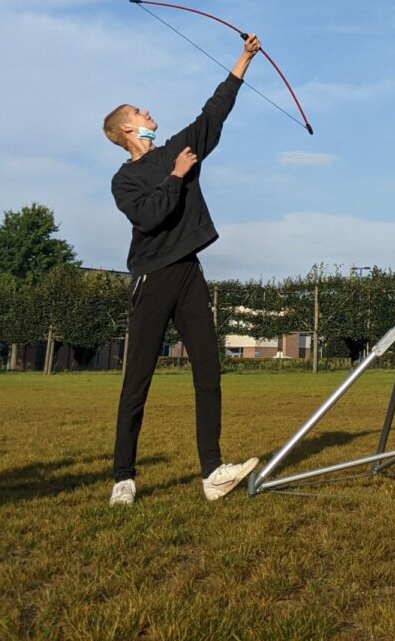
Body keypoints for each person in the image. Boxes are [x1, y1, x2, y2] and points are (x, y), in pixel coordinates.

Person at [103, 35, 263, 506]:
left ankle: (213, 473)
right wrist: (175, 176)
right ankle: (123, 479)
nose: (148, 113)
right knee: (138, 380)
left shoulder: (180, 145)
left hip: (189, 272)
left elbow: (213, 113)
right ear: (127, 130)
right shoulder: (125, 179)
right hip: (153, 278)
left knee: (209, 371)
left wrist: (245, 58)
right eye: (140, 112)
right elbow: (149, 217)